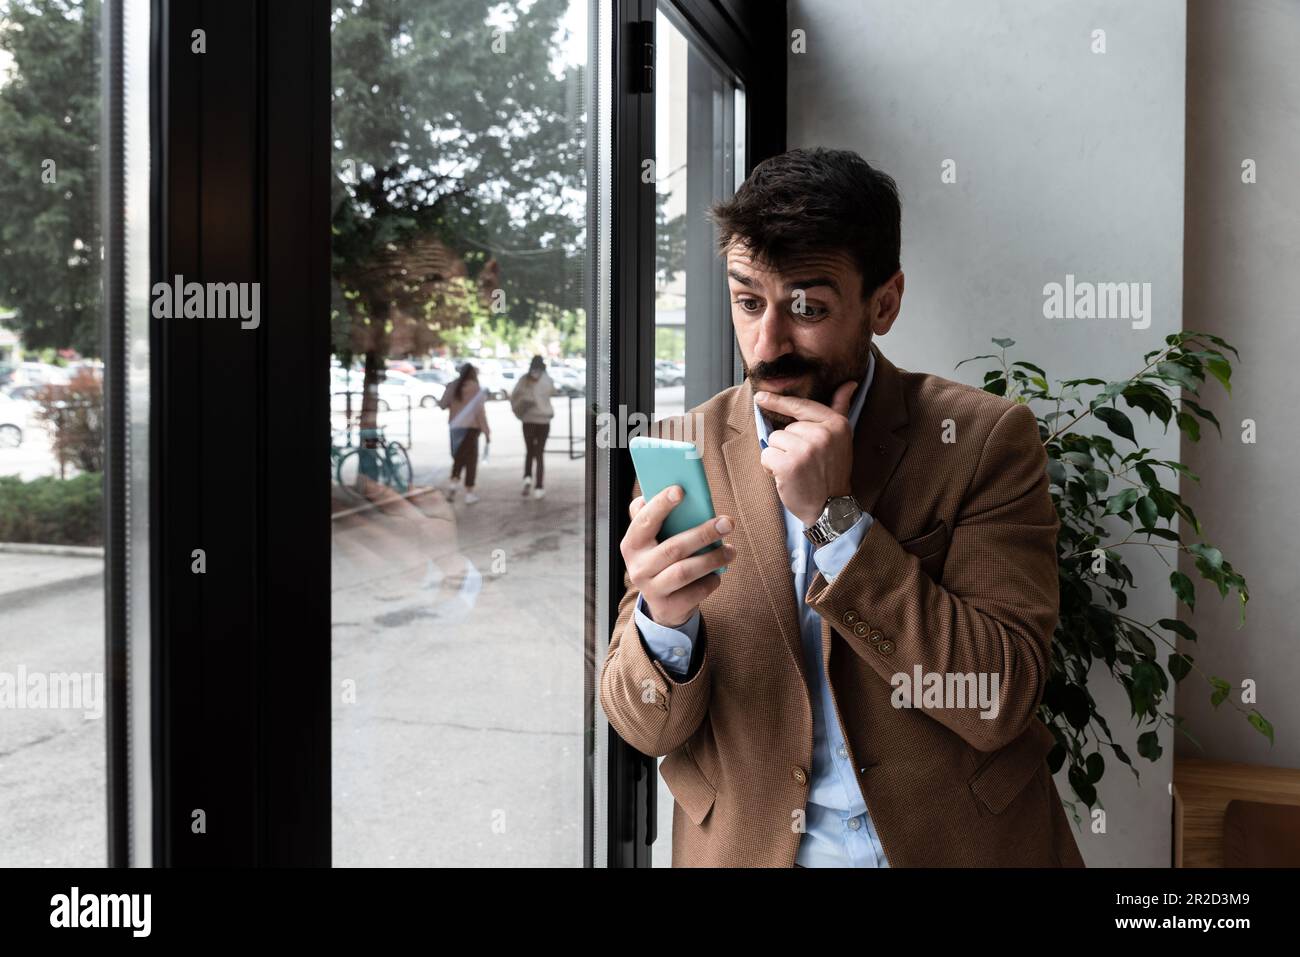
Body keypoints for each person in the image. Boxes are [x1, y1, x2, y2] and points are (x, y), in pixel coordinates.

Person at [598, 147, 1085, 868]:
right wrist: (661, 623)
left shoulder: (984, 441)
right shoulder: (681, 450)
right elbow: (643, 725)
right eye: (747, 300)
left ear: (883, 302)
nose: (767, 343)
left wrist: (837, 523)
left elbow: (999, 697)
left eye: (808, 308)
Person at [437, 362, 490, 504]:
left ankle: (453, 485)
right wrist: (486, 431)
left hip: (455, 428)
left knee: (458, 458)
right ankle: (469, 493)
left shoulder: (452, 386)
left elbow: (442, 404)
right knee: (471, 460)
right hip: (472, 428)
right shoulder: (475, 388)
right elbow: (480, 412)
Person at [510, 355, 557, 499]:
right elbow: (553, 392)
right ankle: (539, 487)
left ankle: (527, 478)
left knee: (529, 451)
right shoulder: (546, 379)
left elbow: (514, 396)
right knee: (539, 453)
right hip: (543, 421)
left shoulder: (524, 379)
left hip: (528, 420)